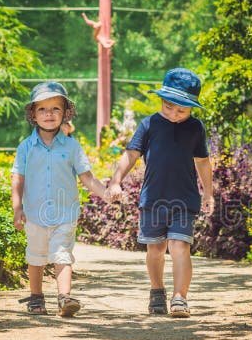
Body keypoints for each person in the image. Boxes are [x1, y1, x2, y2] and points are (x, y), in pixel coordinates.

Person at [106, 68, 214, 318]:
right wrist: (115, 181)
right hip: (153, 200)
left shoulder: (196, 128)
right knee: (155, 250)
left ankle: (180, 298)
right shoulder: (149, 124)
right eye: (169, 107)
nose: (174, 114)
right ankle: (157, 291)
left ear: (192, 108)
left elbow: (203, 161)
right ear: (161, 100)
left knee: (179, 246)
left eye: (182, 110)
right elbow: (131, 154)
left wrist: (208, 193)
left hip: (184, 200)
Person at [12, 82, 106, 316]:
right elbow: (18, 179)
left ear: (65, 114)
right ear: (33, 115)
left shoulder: (72, 146)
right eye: (42, 109)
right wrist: (17, 208)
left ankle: (65, 298)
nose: (49, 114)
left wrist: (106, 193)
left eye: (55, 109)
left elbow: (86, 177)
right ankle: (36, 297)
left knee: (62, 254)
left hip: (65, 213)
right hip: (34, 213)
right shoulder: (26, 147)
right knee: (36, 256)